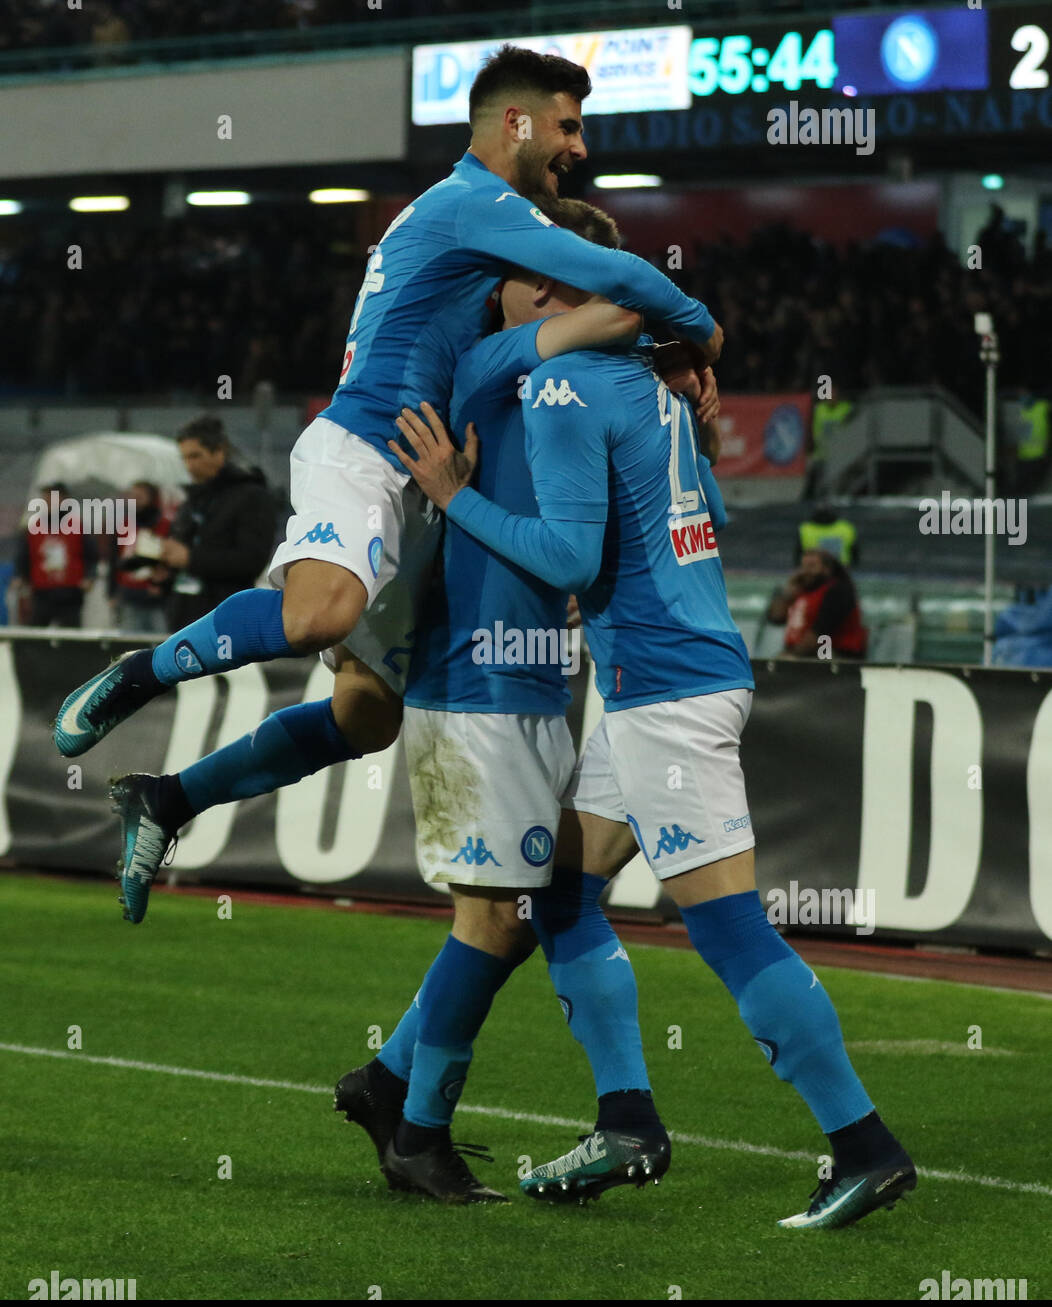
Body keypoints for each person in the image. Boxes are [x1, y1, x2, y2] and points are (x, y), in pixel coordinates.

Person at [52, 44, 722, 925]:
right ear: (514, 122)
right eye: (568, 124)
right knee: (319, 615)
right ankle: (139, 674)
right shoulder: (472, 204)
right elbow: (620, 285)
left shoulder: (481, 243)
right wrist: (701, 337)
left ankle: (169, 800)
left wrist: (653, 365)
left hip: (421, 487)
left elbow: (575, 324)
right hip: (369, 444)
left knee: (365, 715)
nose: (580, 146)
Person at [391, 281, 915, 1231]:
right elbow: (701, 506)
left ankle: (865, 1148)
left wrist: (453, 497)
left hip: (667, 698)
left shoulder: (566, 387)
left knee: (728, 930)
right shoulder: (653, 392)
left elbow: (565, 560)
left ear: (568, 296)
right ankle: (628, 1122)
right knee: (559, 893)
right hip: (666, 684)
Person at [336, 201, 711, 1204]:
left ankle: (403, 1090)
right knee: (507, 910)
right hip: (486, 676)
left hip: (588, 675)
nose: (549, 294)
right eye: (535, 274)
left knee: (533, 905)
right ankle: (425, 1116)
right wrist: (676, 335)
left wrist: (671, 353)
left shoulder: (561, 375)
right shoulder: (485, 365)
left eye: (565, 279)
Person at [162, 416, 278, 628]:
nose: (189, 465)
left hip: (226, 617)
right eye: (185, 458)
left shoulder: (252, 496)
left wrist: (190, 559)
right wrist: (164, 570)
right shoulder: (193, 498)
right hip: (184, 615)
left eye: (196, 456)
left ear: (219, 451)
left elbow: (251, 560)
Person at [14, 483, 98, 628]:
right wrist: (21, 576)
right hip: (41, 591)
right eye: (45, 499)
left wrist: (89, 577)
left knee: (70, 634)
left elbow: (91, 555)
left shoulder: (78, 526)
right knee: (36, 632)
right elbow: (24, 556)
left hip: (70, 592)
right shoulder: (33, 527)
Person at [767, 549, 868, 659]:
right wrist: (786, 595)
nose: (805, 571)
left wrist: (792, 656)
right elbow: (775, 618)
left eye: (812, 566)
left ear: (826, 569)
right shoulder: (801, 590)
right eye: (803, 566)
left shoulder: (837, 591)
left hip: (833, 654)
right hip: (803, 653)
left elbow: (819, 633)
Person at [109, 480, 171, 635]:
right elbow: (114, 559)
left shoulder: (165, 525)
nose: (135, 499)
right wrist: (111, 591)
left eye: (140, 496)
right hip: (129, 593)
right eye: (132, 495)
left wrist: (162, 583)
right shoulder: (123, 525)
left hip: (156, 596)